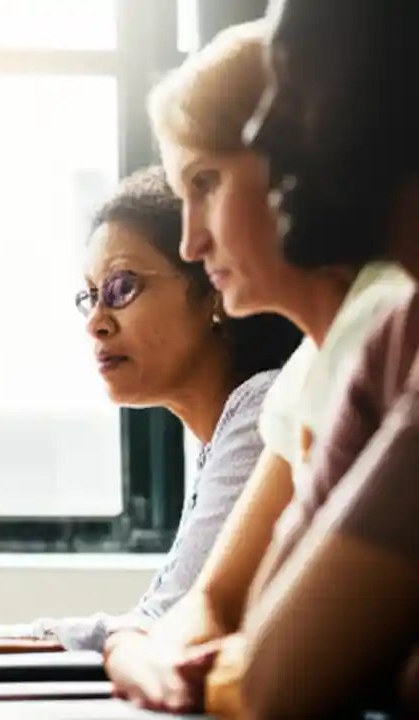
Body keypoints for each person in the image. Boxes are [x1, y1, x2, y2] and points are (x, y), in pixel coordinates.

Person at [0, 166, 301, 660]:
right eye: (90, 296)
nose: (96, 323)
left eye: (122, 288)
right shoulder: (227, 430)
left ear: (210, 284)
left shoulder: (263, 408)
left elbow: (169, 624)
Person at [101, 18, 414, 715]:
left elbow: (271, 668)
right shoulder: (313, 366)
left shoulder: (386, 325)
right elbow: (215, 603)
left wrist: (147, 647)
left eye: (206, 182)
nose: (190, 239)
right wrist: (135, 646)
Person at [203, 1, 419, 716]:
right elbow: (264, 655)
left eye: (294, 86)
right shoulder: (395, 340)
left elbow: (272, 686)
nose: (263, 131)